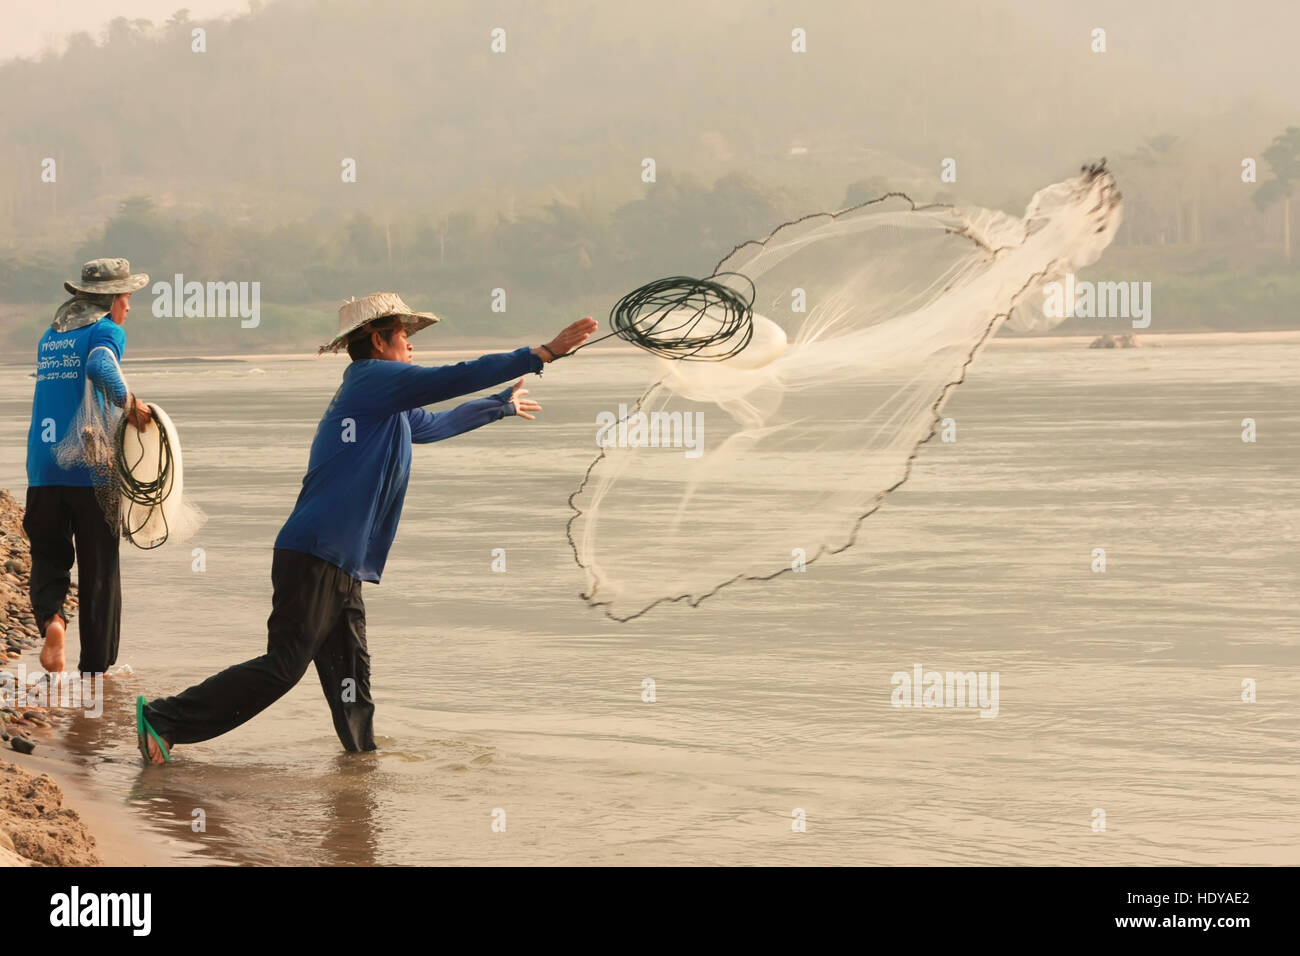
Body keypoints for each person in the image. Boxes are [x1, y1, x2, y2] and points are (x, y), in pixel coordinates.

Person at [136, 293, 598, 763]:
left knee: (351, 674)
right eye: (404, 336)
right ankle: (165, 718)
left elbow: (434, 424)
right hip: (316, 553)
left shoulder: (385, 405)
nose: (412, 347)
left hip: (341, 561)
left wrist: (498, 406)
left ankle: (361, 768)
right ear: (378, 342)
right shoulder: (372, 382)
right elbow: (451, 378)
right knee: (283, 667)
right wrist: (542, 354)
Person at [25, 258, 153, 675]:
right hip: (91, 466)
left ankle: (54, 622)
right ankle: (96, 675)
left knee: (49, 555)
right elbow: (100, 367)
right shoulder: (105, 330)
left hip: (43, 468)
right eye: (126, 297)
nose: (129, 308)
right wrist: (131, 404)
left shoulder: (51, 337)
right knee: (99, 569)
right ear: (109, 300)